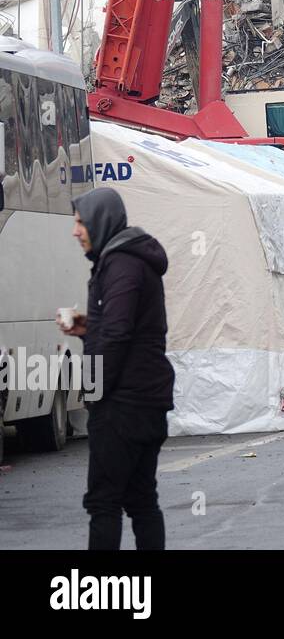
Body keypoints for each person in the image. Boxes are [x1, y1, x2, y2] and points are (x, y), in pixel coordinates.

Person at [68, 186, 174, 551]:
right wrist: (88, 329)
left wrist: (93, 393)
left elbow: (116, 334)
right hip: (147, 400)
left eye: (81, 222)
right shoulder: (129, 261)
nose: (75, 231)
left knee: (104, 503)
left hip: (123, 406)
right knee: (141, 499)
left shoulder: (120, 264)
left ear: (100, 222)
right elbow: (119, 327)